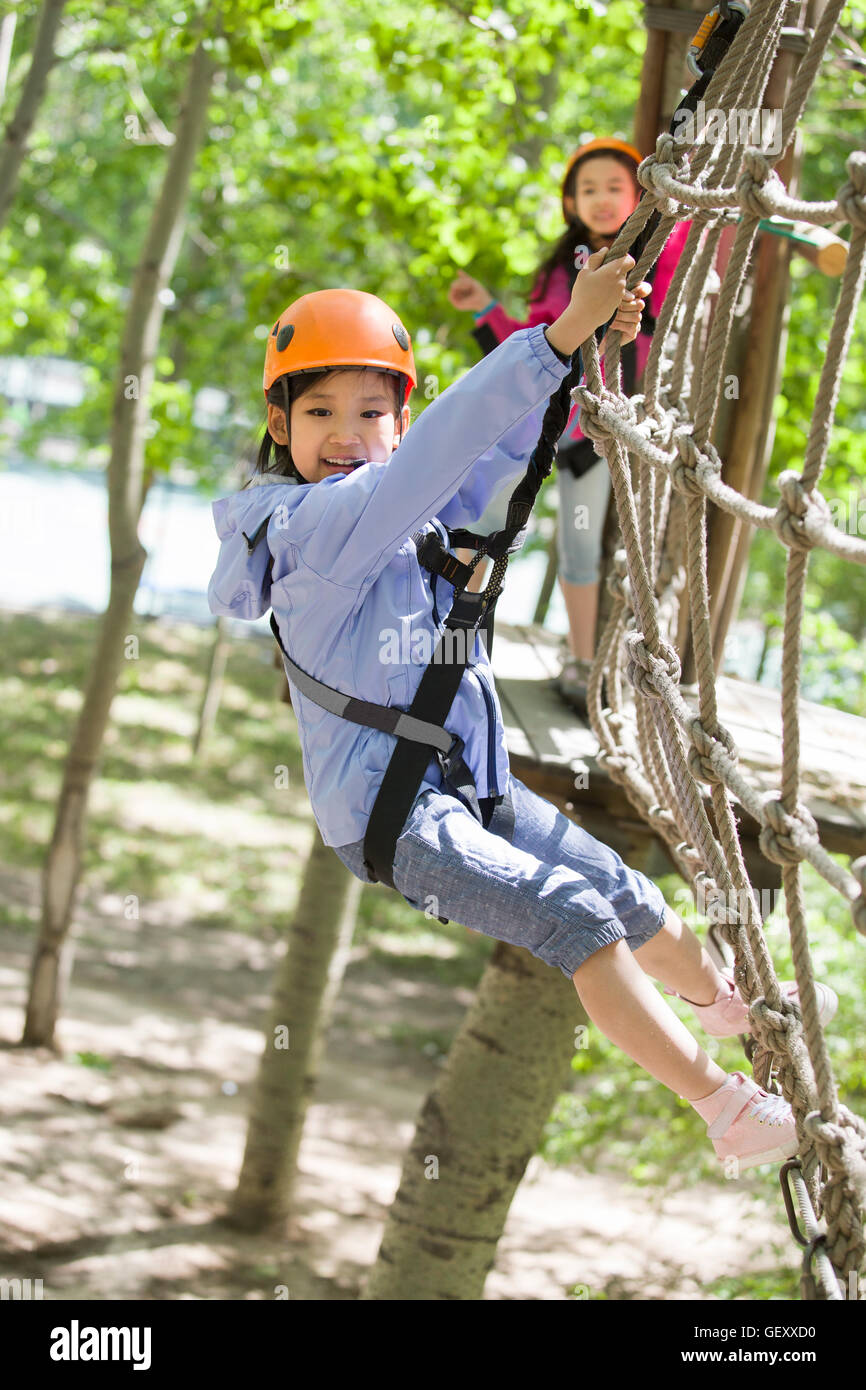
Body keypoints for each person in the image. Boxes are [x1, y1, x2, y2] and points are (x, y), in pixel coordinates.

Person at [206, 280, 837, 1172]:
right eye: (319, 411)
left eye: (370, 411)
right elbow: (442, 446)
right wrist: (559, 330)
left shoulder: (402, 506)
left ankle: (729, 1006)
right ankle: (724, 1108)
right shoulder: (313, 528)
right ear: (281, 426)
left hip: (471, 783)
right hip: (397, 820)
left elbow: (491, 449)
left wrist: (572, 356)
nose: (346, 434)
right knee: (576, 916)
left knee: (623, 889)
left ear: (398, 419)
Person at [449, 138, 690, 713]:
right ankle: (449, 632)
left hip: (600, 428)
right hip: (541, 423)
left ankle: (582, 663)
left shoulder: (656, 250)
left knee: (580, 549)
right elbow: (530, 341)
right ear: (570, 201)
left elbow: (692, 231)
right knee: (478, 519)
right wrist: (485, 307)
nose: (603, 199)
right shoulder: (562, 268)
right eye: (589, 190)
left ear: (639, 193)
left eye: (615, 187)